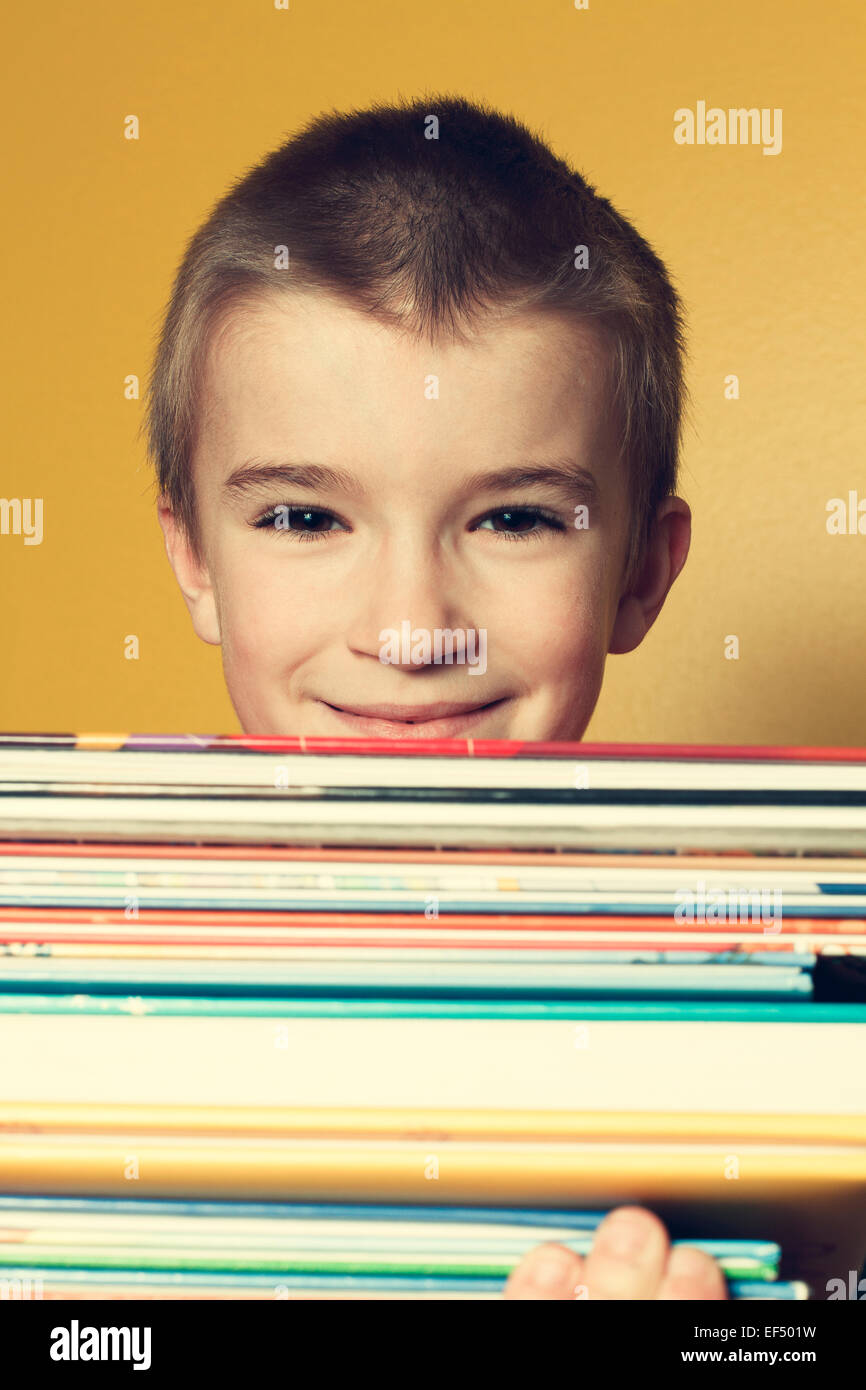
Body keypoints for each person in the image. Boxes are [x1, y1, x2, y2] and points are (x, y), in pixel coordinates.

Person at [147, 92, 721, 1299]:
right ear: (195, 558)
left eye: (513, 518)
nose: (410, 629)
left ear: (639, 572)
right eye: (303, 517)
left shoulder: (779, 1035)